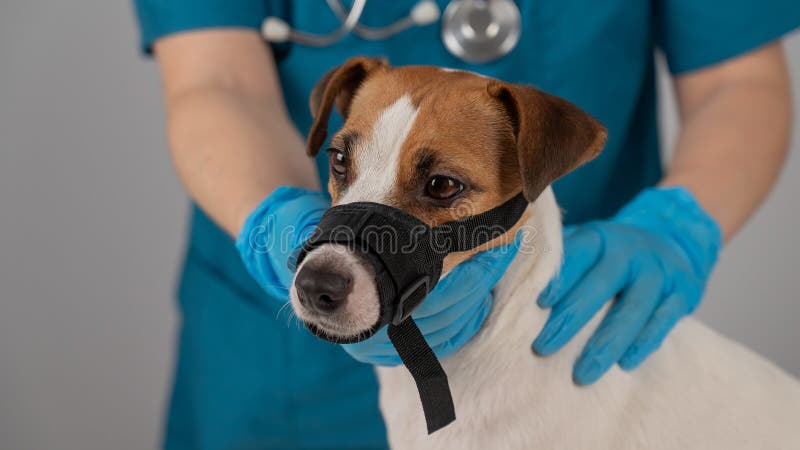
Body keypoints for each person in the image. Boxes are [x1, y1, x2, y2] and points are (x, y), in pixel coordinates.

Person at [133, 1, 798, 448]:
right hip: (284, 389)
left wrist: (674, 227)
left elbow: (737, 81)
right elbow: (215, 79)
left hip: (584, 328)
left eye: (441, 188)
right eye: (343, 161)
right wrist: (274, 222)